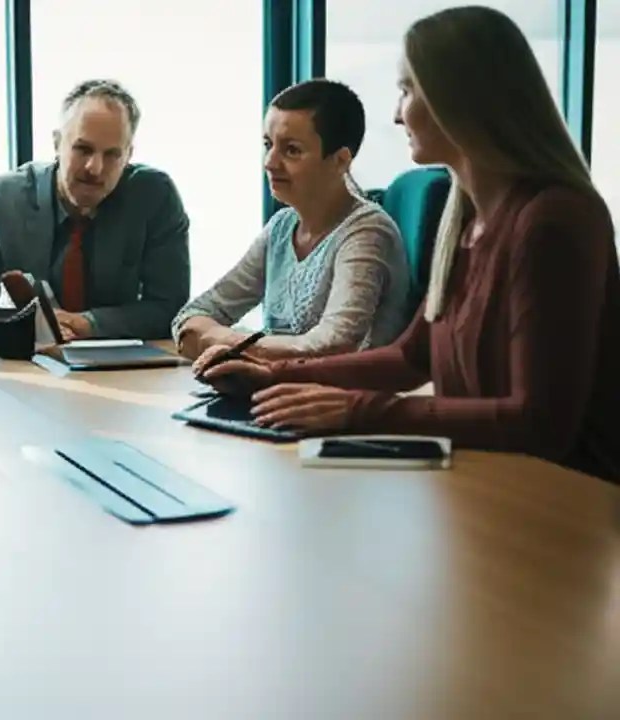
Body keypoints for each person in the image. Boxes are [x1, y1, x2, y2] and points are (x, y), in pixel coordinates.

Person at [197, 6, 620, 482]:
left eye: (406, 90)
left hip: (565, 504)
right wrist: (276, 375)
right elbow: (410, 358)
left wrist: (356, 411)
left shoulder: (553, 221)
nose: (397, 115)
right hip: (482, 487)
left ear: (458, 98)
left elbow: (540, 424)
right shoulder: (466, 219)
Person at [173, 80, 410, 361]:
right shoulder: (282, 226)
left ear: (340, 160)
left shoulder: (368, 232)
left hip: (337, 399)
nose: (270, 162)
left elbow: (334, 344)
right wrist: (233, 343)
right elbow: (191, 316)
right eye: (268, 144)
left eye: (292, 150)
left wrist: (227, 343)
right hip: (277, 388)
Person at [0, 79, 190, 345]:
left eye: (112, 155)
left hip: (122, 364)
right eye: (83, 149)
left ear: (128, 156)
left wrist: (86, 324)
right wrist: (5, 326)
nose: (95, 168)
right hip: (32, 364)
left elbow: (169, 309)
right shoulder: (2, 200)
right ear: (57, 143)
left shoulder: (154, 197)